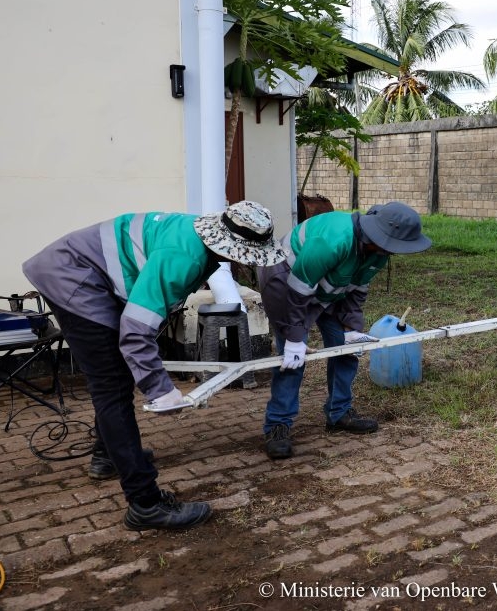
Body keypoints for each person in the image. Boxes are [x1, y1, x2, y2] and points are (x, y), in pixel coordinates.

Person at [22, 201, 287, 530]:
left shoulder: (199, 239)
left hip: (79, 270)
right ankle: (144, 503)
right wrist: (160, 389)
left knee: (116, 379)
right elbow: (135, 333)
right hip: (72, 277)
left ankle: (107, 455)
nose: (246, 263)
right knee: (112, 386)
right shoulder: (183, 256)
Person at [259, 201, 432, 460]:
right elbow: (298, 292)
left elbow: (357, 290)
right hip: (287, 283)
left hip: (329, 287)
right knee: (293, 360)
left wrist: (351, 329)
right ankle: (277, 425)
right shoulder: (332, 241)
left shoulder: (378, 252)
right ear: (380, 235)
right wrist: (294, 338)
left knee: (346, 349)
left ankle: (339, 412)